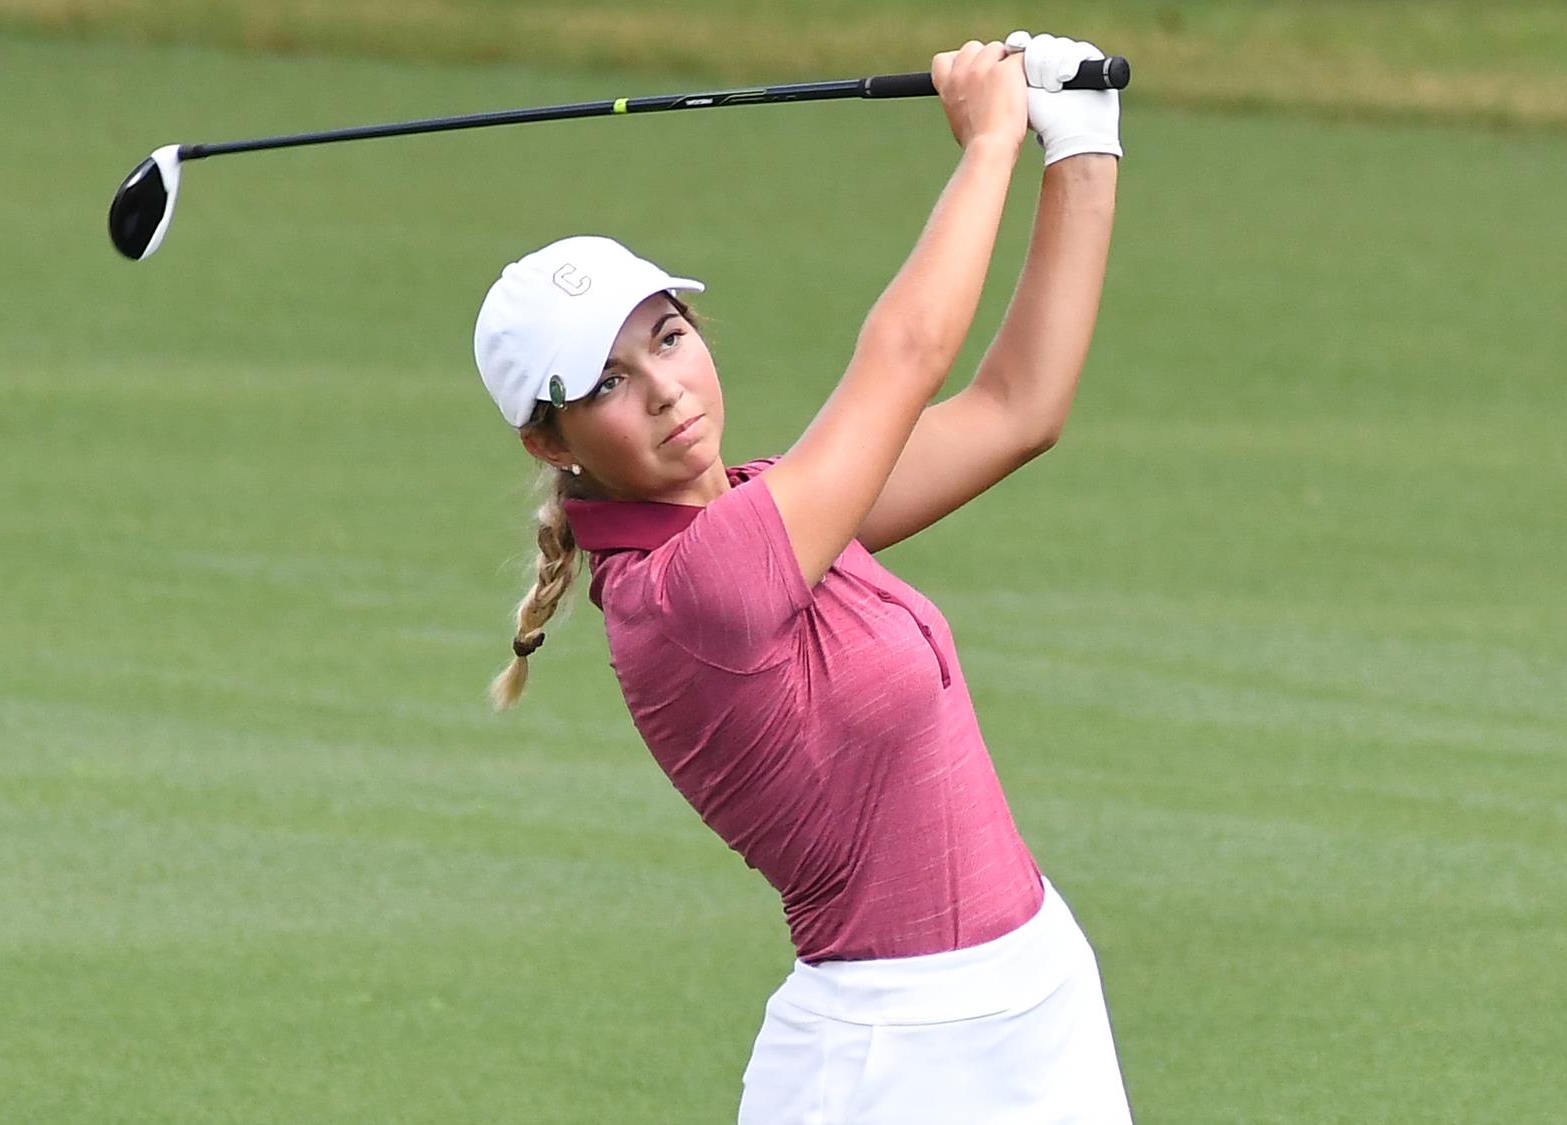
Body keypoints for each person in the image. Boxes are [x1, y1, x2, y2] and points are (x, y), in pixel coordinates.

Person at [472, 31, 1129, 1123]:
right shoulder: (688, 595)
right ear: (553, 442)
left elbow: (1019, 408)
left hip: (1038, 996)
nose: (668, 390)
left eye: (669, 338)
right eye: (608, 380)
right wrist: (986, 145)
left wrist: (1080, 146)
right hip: (888, 1060)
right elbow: (905, 355)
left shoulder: (778, 508)